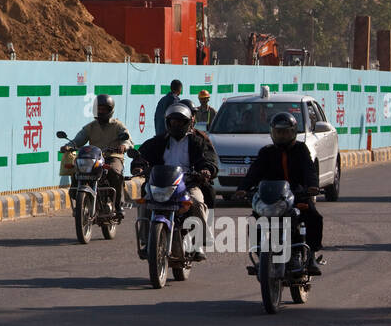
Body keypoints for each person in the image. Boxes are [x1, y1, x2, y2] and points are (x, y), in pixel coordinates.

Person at [236, 112, 324, 275]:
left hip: (296, 194)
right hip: (271, 196)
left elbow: (309, 169)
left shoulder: (301, 149)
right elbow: (254, 172)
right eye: (278, 132)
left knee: (313, 216)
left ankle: (310, 256)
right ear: (272, 133)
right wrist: (243, 188)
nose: (281, 136)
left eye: (285, 132)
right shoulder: (266, 152)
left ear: (293, 132)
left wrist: (312, 186)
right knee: (255, 219)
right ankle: (262, 256)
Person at [136, 102, 219, 260]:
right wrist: (139, 166)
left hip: (188, 183)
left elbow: (208, 158)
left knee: (197, 201)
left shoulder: (197, 141)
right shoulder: (160, 141)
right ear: (168, 122)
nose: (176, 125)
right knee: (145, 201)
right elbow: (143, 154)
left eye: (180, 122)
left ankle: (197, 243)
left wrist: (206, 169)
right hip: (162, 183)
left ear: (187, 122)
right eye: (173, 122)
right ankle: (147, 240)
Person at [61, 94, 131, 221]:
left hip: (112, 157)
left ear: (110, 110)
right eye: (99, 109)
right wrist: (68, 146)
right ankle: (77, 193)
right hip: (94, 158)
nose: (101, 111)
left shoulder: (117, 125)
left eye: (104, 109)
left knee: (115, 172)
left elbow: (128, 140)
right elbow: (78, 140)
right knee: (77, 169)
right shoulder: (91, 126)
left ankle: (118, 205)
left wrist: (123, 146)